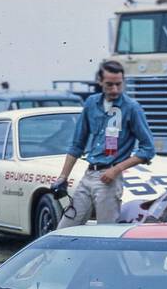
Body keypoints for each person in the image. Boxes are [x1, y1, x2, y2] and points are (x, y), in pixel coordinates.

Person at [55, 60, 155, 228]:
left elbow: (148, 149)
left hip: (110, 178)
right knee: (65, 227)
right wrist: (62, 177)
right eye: (109, 85)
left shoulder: (132, 108)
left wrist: (116, 170)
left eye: (118, 84)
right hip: (89, 175)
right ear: (100, 82)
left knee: (106, 231)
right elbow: (77, 144)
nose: (114, 89)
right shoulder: (91, 104)